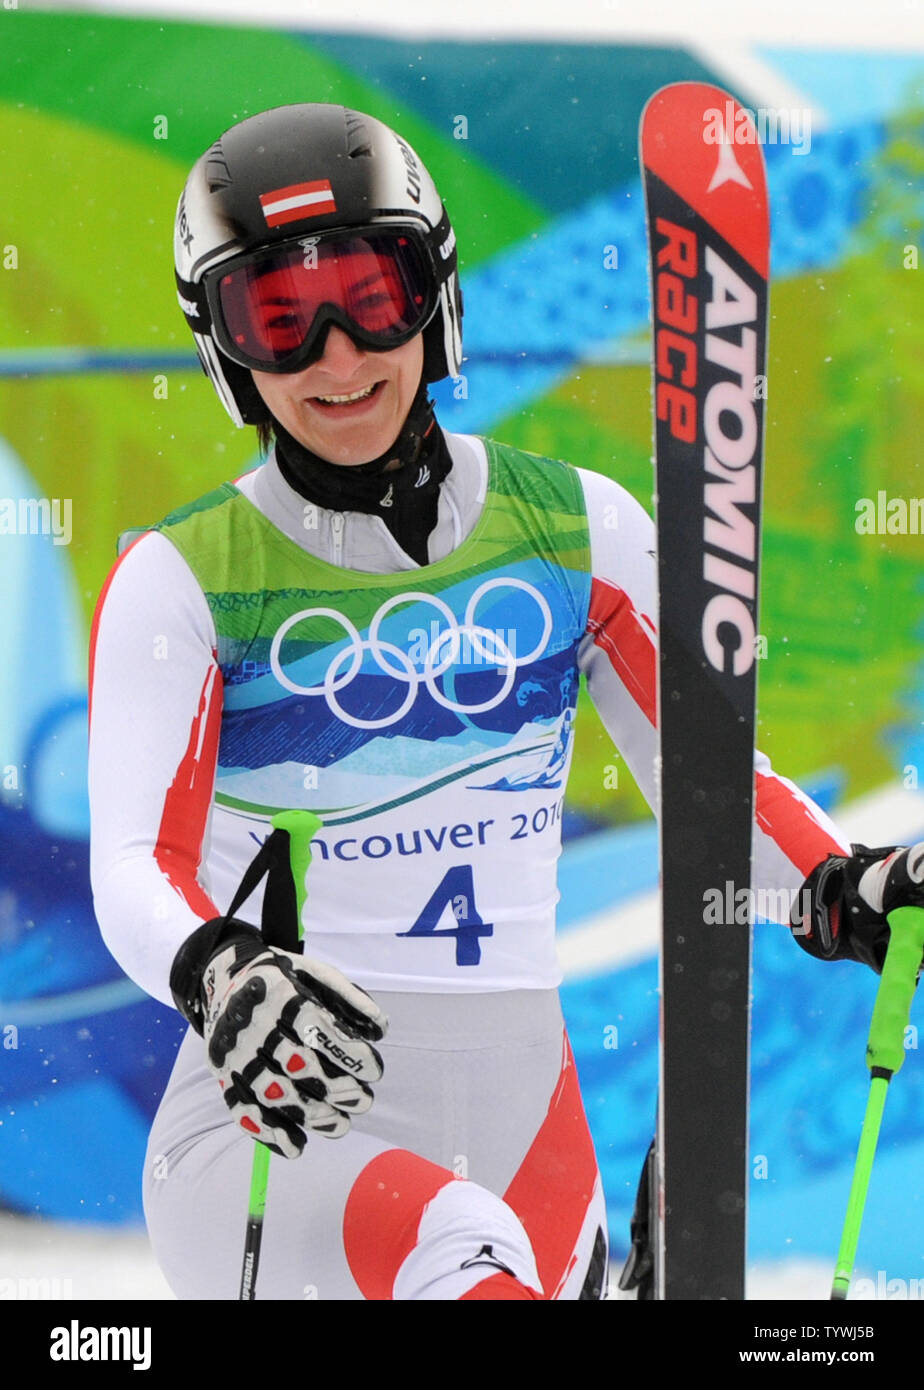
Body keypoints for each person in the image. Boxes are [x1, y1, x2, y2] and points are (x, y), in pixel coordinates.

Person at [88, 102, 924, 1301]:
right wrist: (221, 967)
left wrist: (841, 887)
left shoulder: (576, 528)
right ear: (226, 352)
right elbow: (131, 862)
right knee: (458, 1245)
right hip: (279, 1134)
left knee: (496, 1247)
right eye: (277, 316)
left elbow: (708, 780)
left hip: (530, 1123)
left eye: (370, 294)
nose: (337, 353)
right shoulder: (183, 579)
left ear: (434, 293)